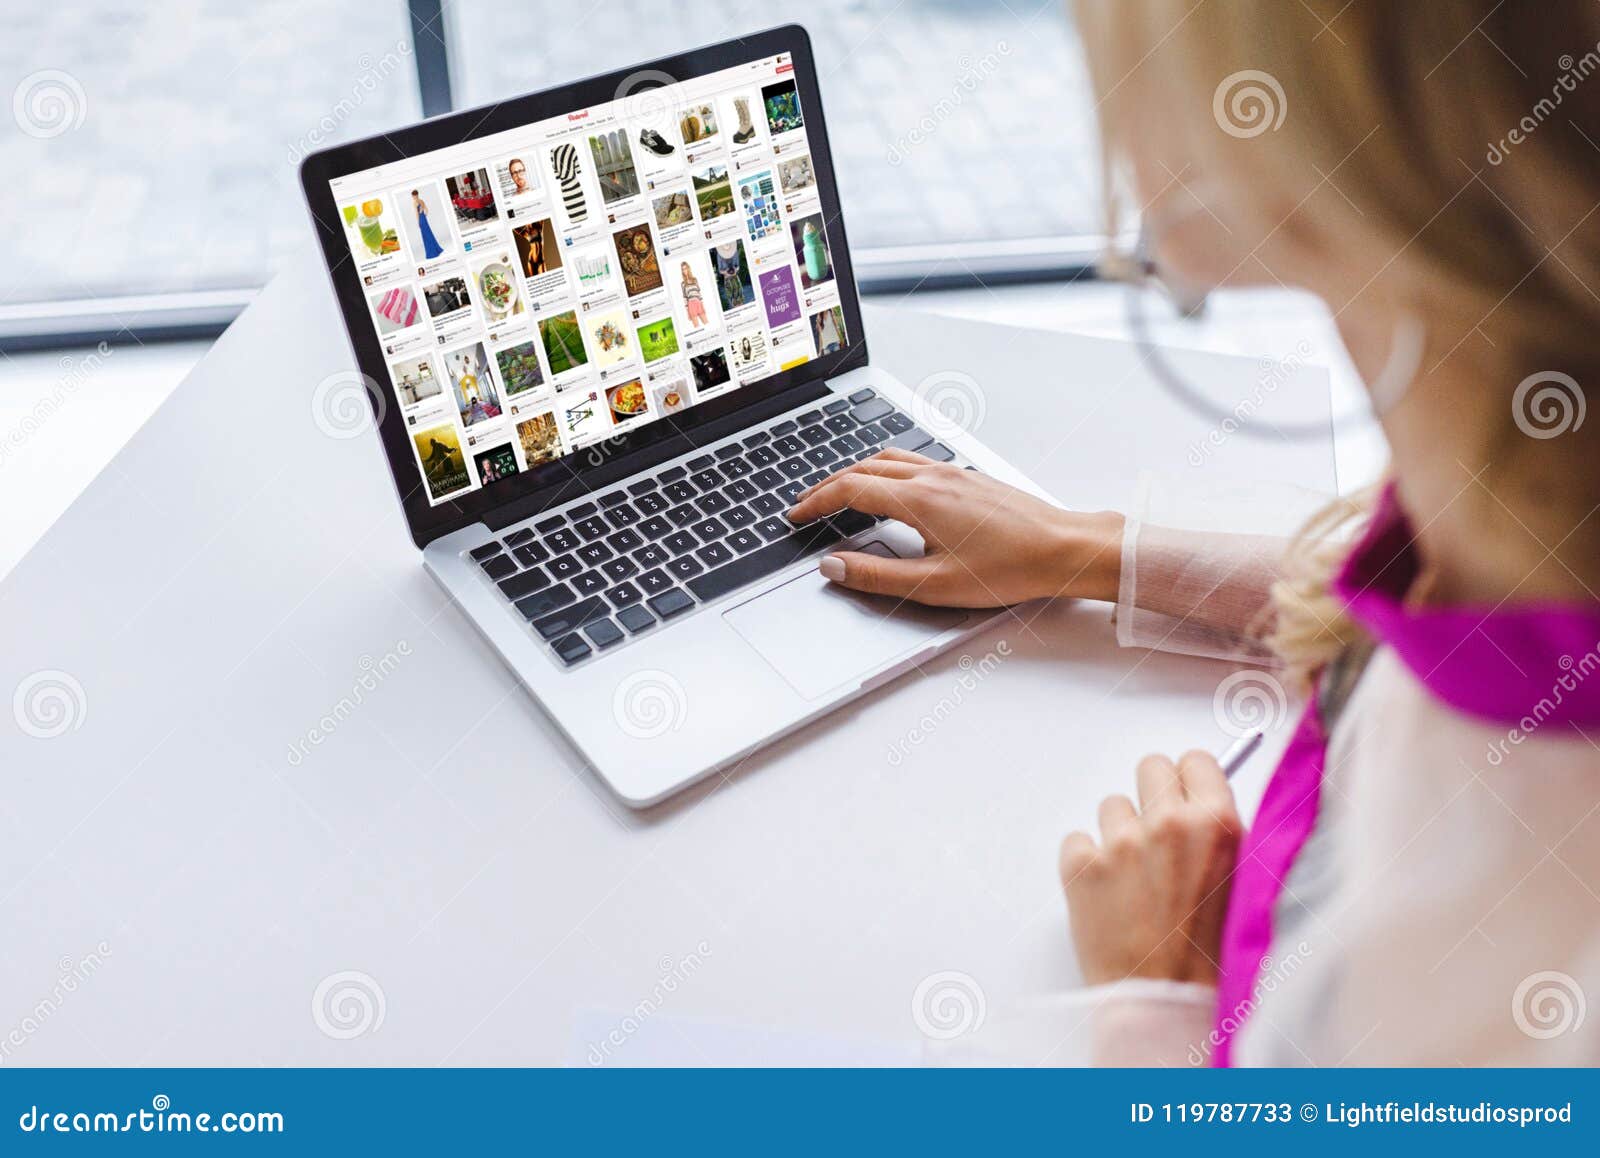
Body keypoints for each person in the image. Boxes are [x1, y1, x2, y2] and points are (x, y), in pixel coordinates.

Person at [788, 0, 1600, 1066]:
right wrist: (1087, 550)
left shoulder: (1475, 969)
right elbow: (1427, 629)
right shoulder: (1517, 496)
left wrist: (1151, 1002)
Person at [410, 189, 444, 260]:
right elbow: (426, 210)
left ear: (415, 195)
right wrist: (424, 214)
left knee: (426, 236)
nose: (413, 197)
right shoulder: (421, 200)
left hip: (421, 220)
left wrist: (418, 222)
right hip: (424, 218)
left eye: (413, 196)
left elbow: (417, 214)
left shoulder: (414, 202)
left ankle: (431, 252)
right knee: (429, 234)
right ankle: (436, 250)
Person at [681, 262, 708, 329]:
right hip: (691, 305)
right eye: (683, 269)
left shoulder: (695, 280)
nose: (684, 271)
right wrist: (687, 312)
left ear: (688, 269)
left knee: (706, 323)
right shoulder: (683, 284)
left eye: (685, 268)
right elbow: (685, 297)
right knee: (697, 328)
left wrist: (702, 305)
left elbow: (699, 293)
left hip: (698, 303)